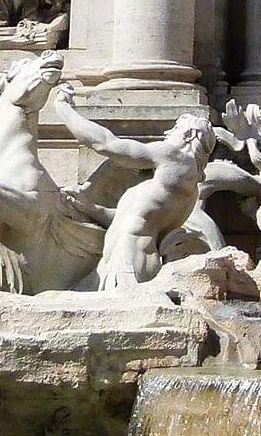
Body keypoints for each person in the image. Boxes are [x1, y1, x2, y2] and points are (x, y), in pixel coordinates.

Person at [52, 85, 217, 289]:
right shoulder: (187, 188)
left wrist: (63, 109)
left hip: (131, 259)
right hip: (122, 258)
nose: (167, 133)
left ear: (189, 135)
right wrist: (91, 209)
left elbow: (106, 143)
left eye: (174, 129)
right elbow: (133, 218)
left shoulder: (175, 157)